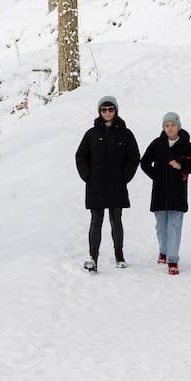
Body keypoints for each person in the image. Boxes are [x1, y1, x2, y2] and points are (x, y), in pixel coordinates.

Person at [75, 95, 140, 271]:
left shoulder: (125, 134)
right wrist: (88, 176)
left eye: (110, 109)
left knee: (116, 219)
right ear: (99, 112)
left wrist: (124, 177)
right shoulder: (91, 134)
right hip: (95, 186)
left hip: (116, 185)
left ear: (116, 111)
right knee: (96, 220)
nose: (107, 112)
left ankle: (119, 255)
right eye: (104, 110)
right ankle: (93, 257)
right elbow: (80, 156)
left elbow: (134, 158)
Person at [139, 112, 191, 276]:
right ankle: (164, 251)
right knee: (161, 227)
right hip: (159, 193)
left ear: (178, 126)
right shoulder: (157, 143)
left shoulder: (186, 145)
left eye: (172, 125)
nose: (170, 128)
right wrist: (156, 176)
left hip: (178, 193)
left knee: (174, 227)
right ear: (163, 128)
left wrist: (181, 165)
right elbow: (144, 162)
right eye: (167, 125)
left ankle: (172, 260)